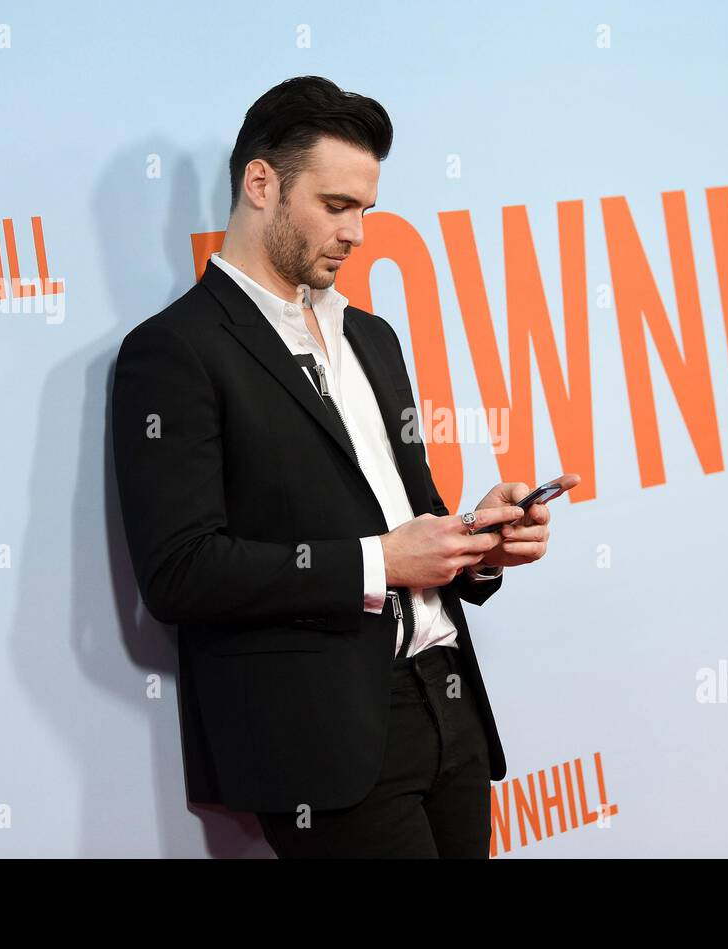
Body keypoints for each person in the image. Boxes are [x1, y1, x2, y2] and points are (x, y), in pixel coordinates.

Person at [111, 75, 578, 858]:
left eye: (366, 209)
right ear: (261, 183)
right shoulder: (175, 352)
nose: (358, 232)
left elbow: (412, 511)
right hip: (323, 740)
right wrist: (381, 562)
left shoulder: (372, 336)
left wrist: (478, 542)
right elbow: (179, 571)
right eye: (336, 206)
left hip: (450, 702)